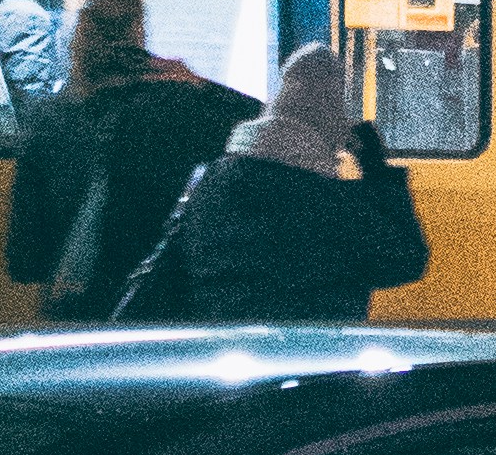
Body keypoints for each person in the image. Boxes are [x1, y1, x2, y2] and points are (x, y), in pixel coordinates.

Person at [2, 0, 249, 321]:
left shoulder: (49, 120)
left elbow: (24, 260)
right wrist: (194, 82)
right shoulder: (175, 105)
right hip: (156, 312)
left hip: (72, 315)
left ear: (75, 36)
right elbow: (262, 129)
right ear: (138, 31)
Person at [158, 35, 428, 324]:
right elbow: (405, 258)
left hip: (224, 349)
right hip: (311, 356)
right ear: (330, 119)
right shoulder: (327, 203)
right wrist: (376, 166)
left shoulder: (213, 185)